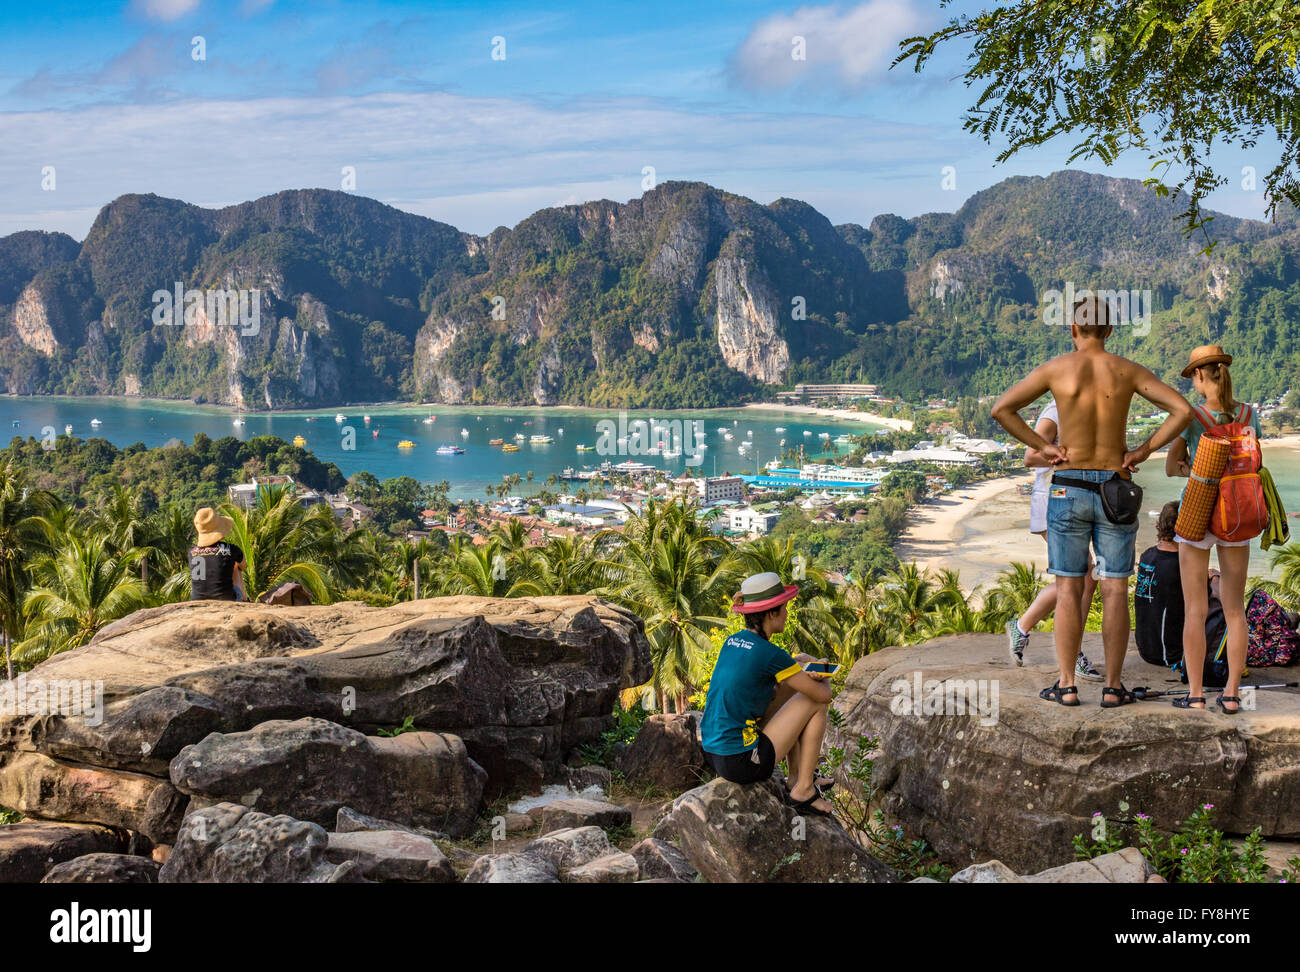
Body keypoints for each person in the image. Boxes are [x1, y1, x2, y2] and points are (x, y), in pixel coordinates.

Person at [991, 296, 1193, 706]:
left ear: (1073, 330)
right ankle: (1114, 687)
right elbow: (1182, 410)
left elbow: (1002, 409)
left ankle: (1066, 686)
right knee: (1115, 589)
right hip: (1114, 488)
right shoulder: (1127, 370)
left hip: (1067, 486)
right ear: (1110, 330)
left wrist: (1042, 448)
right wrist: (1141, 451)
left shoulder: (1056, 368)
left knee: (1068, 588)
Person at [1165, 346, 1263, 713]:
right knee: (1235, 610)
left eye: (1192, 374)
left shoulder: (1192, 416)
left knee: (1195, 609)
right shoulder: (1249, 413)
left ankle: (1195, 695)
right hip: (1237, 512)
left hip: (1198, 511)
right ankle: (1233, 694)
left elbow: (1173, 465)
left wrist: (1196, 468)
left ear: (1199, 376)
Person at [699, 572, 835, 817]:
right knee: (814, 703)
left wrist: (797, 668)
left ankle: (796, 777)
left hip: (715, 752)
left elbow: (769, 689)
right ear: (772, 612)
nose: (787, 613)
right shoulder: (771, 653)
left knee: (791, 690)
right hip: (742, 762)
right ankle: (803, 789)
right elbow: (823, 696)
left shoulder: (733, 641)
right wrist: (822, 670)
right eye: (784, 608)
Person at [1008, 396, 1102, 680]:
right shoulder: (1054, 411)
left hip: (1073, 499)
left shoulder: (1088, 409)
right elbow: (1030, 456)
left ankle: (1025, 627)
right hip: (1052, 499)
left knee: (1084, 577)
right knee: (1078, 576)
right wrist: (1074, 455)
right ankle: (1069, 651)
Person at [1134, 501, 1185, 669]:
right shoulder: (1180, 564)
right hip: (1169, 654)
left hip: (1145, 647)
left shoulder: (1147, 555)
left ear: (1158, 525)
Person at [190, 507, 246, 602]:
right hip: (227, 599)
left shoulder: (191, 552)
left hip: (197, 600)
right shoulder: (231, 549)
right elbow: (244, 566)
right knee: (237, 567)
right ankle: (246, 601)